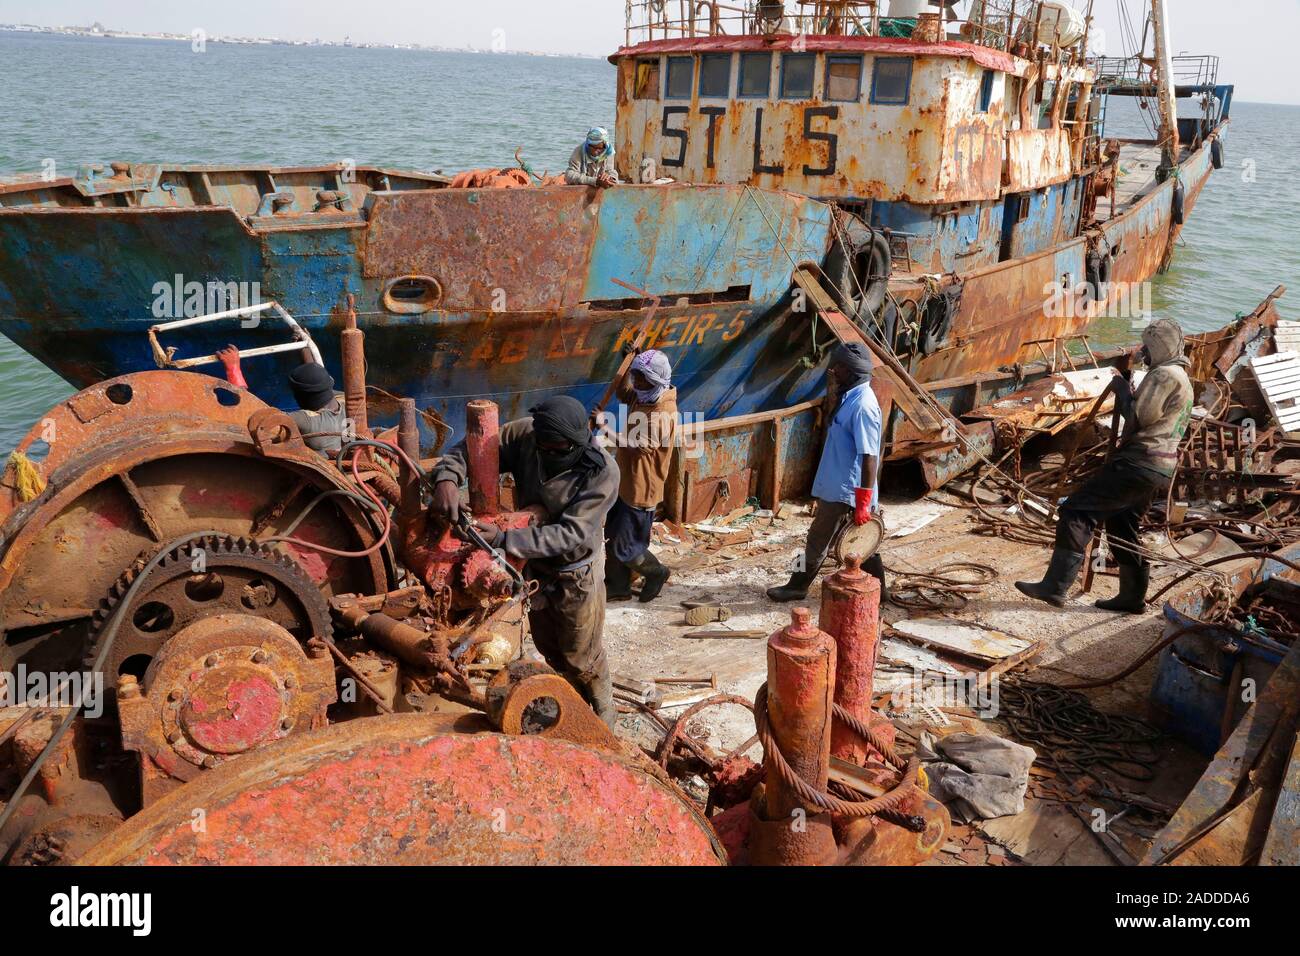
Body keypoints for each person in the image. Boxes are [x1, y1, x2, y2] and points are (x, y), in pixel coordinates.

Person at [430, 395, 620, 725]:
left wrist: (505, 539)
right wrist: (447, 478)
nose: (547, 454)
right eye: (543, 446)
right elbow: (470, 451)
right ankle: (566, 701)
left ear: (577, 442)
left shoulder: (601, 472)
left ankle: (603, 709)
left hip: (576, 574)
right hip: (535, 570)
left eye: (557, 450)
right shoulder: (526, 435)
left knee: (581, 655)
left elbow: (570, 533)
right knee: (549, 645)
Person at [1016, 318, 1193, 612]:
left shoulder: (1164, 374)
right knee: (1123, 525)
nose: (1142, 354)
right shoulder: (1183, 378)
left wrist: (1123, 391)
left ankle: (1055, 587)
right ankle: (1132, 598)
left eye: (1147, 348)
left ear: (1159, 347)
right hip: (1160, 468)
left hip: (1139, 461)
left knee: (1076, 510)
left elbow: (1141, 417)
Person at [767, 342, 887, 602]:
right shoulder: (850, 398)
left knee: (821, 540)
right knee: (861, 543)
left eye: (840, 368)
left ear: (853, 372)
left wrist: (864, 501)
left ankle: (796, 585)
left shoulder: (863, 406)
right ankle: (880, 595)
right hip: (839, 486)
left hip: (847, 491)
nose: (834, 371)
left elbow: (869, 456)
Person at [604, 350, 678, 602]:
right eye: (635, 376)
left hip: (641, 488)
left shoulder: (660, 413)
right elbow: (624, 393)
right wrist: (625, 365)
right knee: (614, 535)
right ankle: (617, 586)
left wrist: (605, 430)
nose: (636, 383)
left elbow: (639, 448)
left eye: (641, 378)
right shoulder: (644, 396)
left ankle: (656, 572)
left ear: (656, 381)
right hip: (625, 482)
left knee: (627, 547)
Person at [217, 346, 348, 457]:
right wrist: (304, 348)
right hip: (343, 460)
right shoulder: (344, 401)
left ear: (301, 397)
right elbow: (316, 377)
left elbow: (255, 417)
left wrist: (233, 369)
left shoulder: (305, 420)